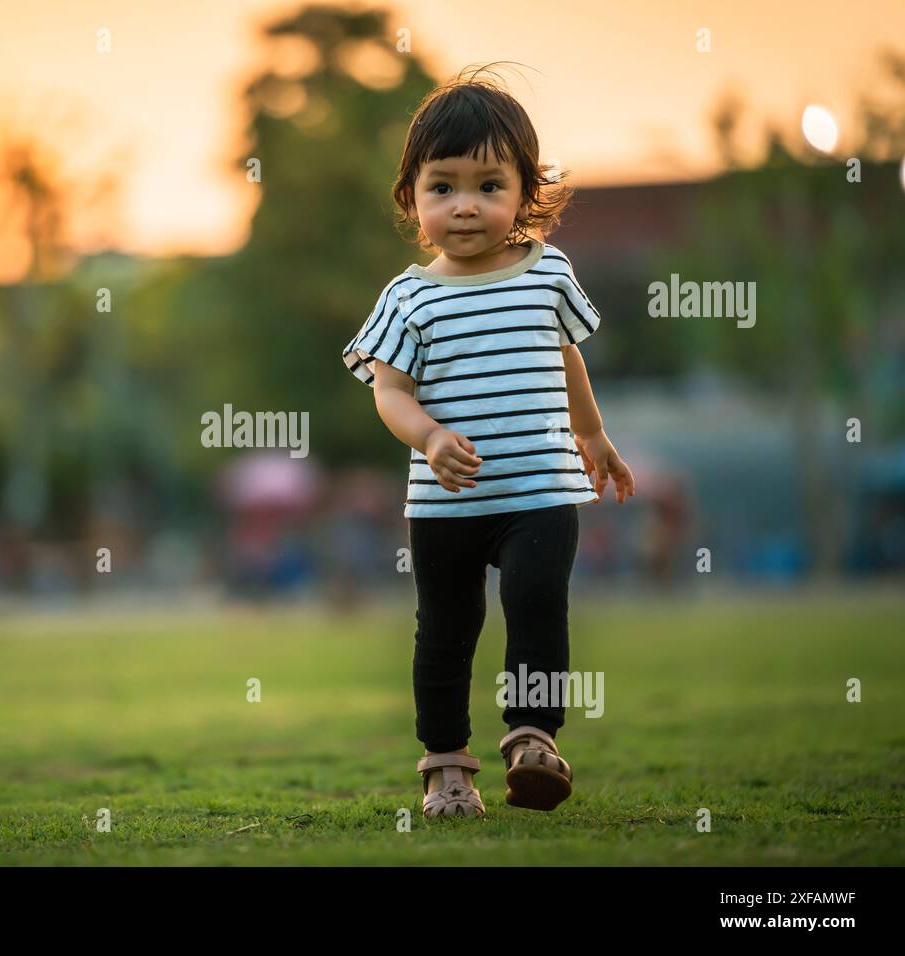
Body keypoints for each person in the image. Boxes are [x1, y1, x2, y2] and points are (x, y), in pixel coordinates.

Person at [340, 65, 636, 819]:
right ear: (412, 198)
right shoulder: (408, 297)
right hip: (446, 505)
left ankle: (534, 739)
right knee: (446, 629)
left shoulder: (550, 275)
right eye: (442, 187)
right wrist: (430, 436)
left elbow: (566, 355)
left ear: (525, 193)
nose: (464, 206)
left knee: (538, 602)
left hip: (540, 491)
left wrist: (593, 435)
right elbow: (389, 392)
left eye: (488, 185)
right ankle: (446, 770)